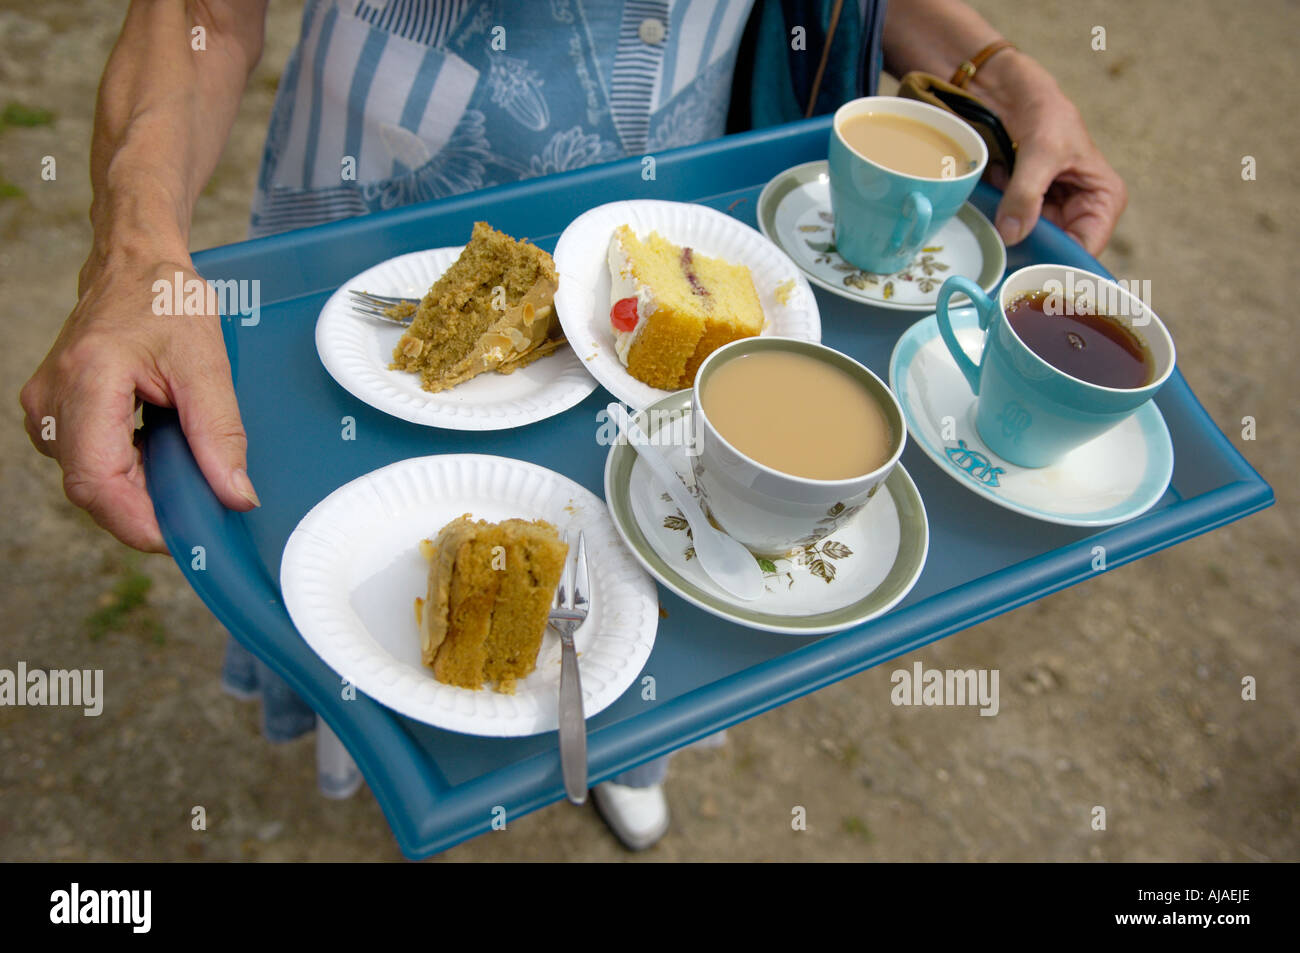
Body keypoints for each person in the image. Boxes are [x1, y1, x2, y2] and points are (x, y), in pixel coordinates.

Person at [19, 0, 1126, 851]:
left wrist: (996, 67)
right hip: (384, 202)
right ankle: (395, 725)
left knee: (678, 526)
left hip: (679, 203)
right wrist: (132, 248)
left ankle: (625, 735)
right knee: (387, 536)